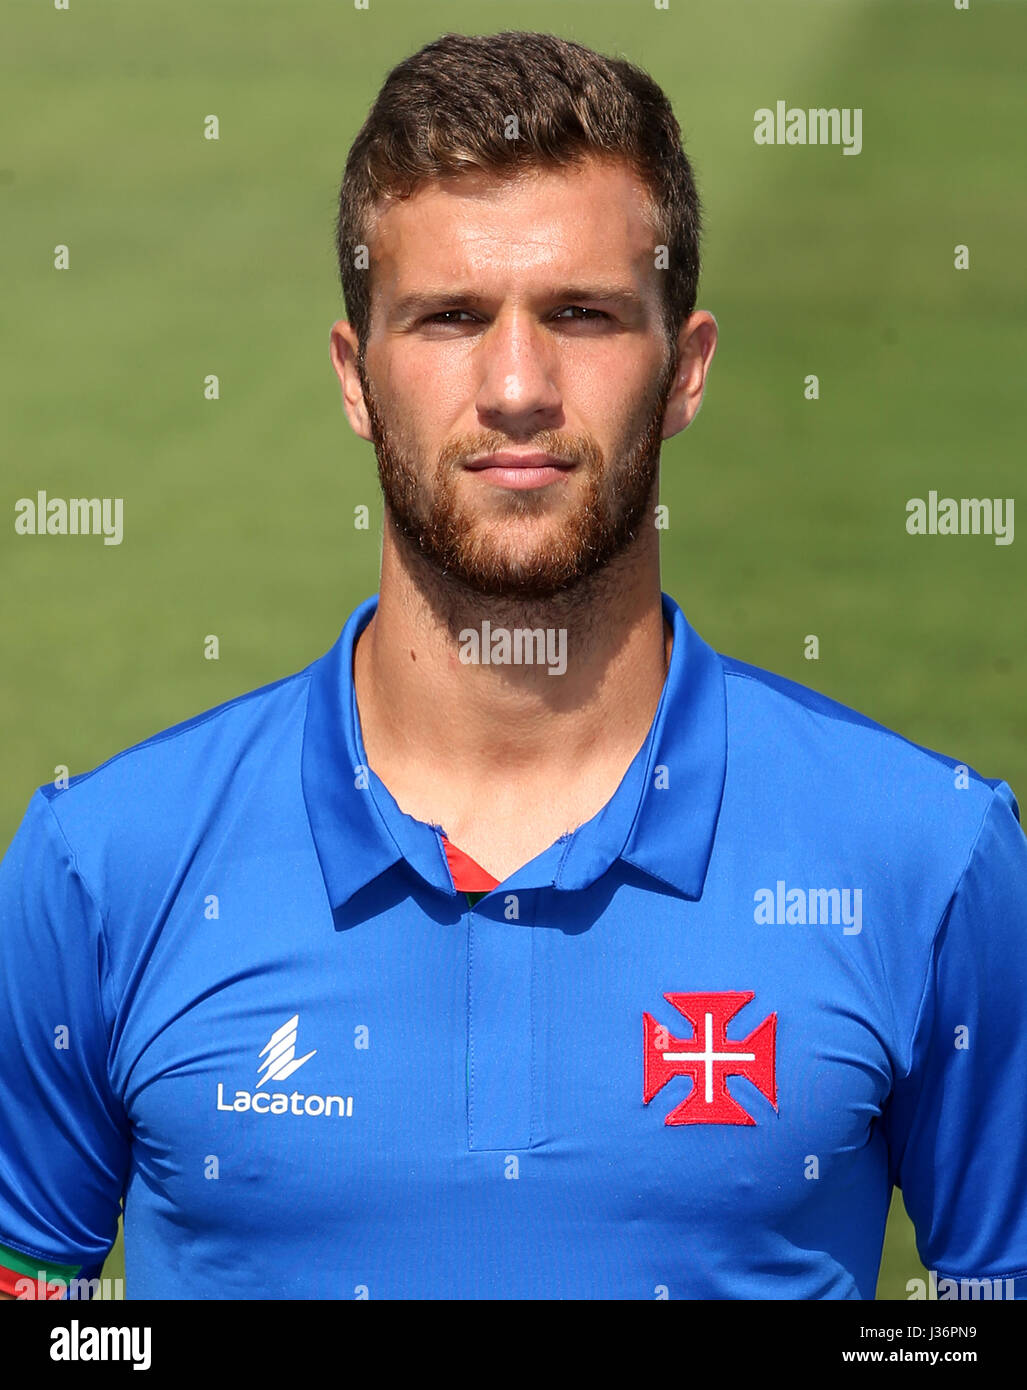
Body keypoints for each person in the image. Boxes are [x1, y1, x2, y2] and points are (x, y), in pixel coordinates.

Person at [1, 29, 1025, 1302]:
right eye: (449, 319)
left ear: (686, 369)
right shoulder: (103, 868)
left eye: (582, 315)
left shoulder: (929, 857)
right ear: (355, 378)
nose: (518, 386)